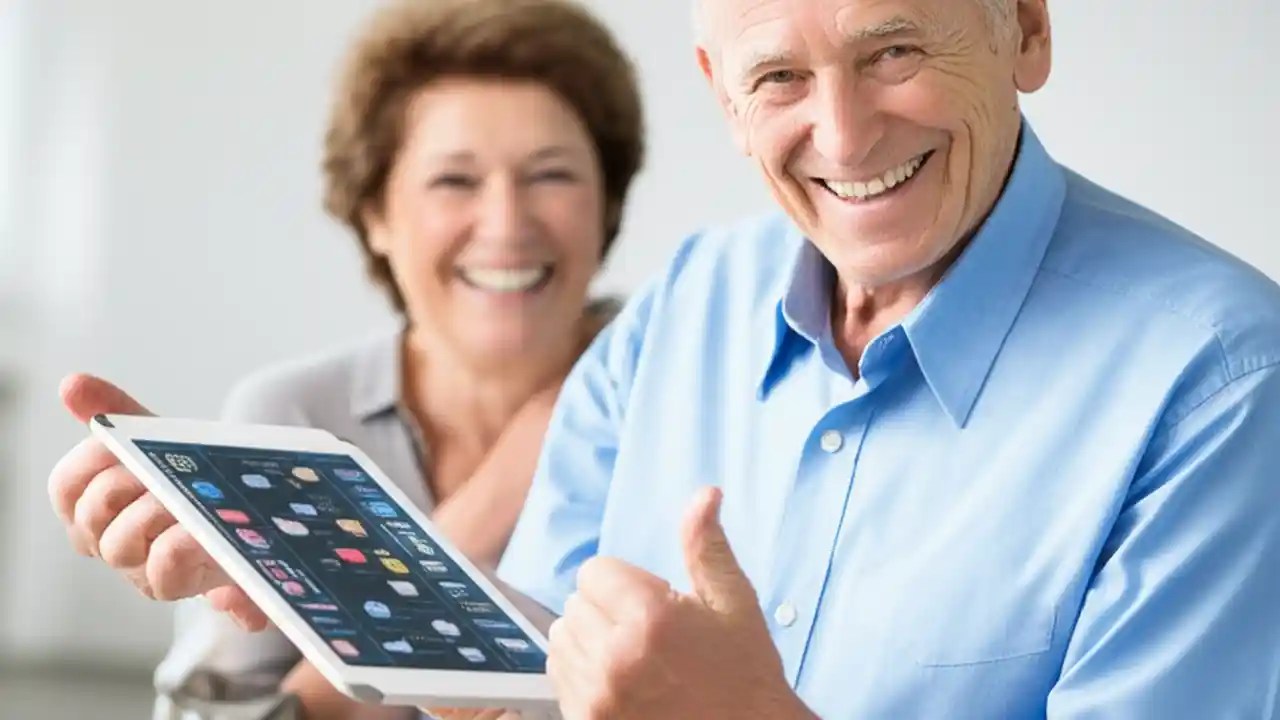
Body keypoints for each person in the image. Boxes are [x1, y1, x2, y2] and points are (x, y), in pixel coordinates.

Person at [50, 0, 1280, 718]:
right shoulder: (686, 303)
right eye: (779, 77)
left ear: (1024, 25)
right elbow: (527, 686)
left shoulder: (1218, 381)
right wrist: (306, 566)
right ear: (720, 93)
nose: (843, 134)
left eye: (894, 49)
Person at [47, 0, 642, 718]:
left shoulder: (684, 395)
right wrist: (473, 520)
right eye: (455, 181)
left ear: (608, 205)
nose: (507, 223)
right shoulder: (292, 418)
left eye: (551, 175)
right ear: (375, 215)